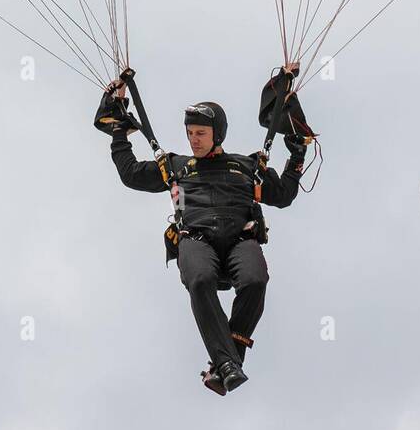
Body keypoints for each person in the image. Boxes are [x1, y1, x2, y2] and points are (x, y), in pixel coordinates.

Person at [98, 76, 310, 394]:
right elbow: (130, 174)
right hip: (196, 239)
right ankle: (227, 364)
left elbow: (282, 195)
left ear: (217, 134)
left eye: (201, 133)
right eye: (190, 133)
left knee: (256, 281)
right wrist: (118, 132)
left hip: (241, 239)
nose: (194, 140)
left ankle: (227, 361)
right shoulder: (177, 167)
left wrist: (296, 156)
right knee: (199, 280)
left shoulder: (246, 166)